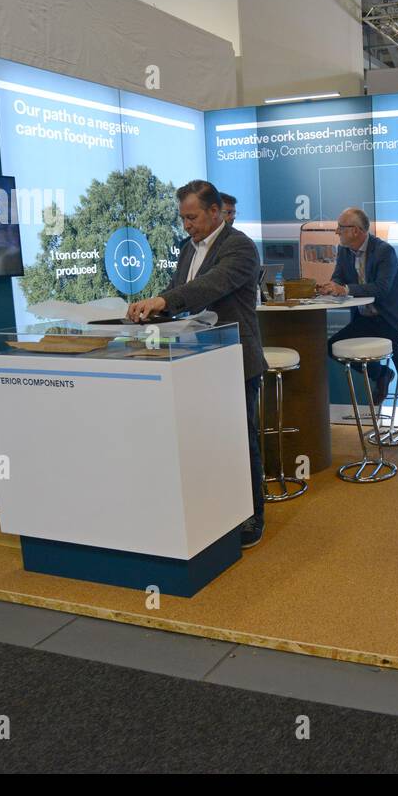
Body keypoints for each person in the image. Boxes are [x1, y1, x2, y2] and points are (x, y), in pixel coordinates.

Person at [127, 180, 268, 547]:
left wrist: (161, 301)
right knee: (208, 442)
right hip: (197, 360)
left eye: (192, 217)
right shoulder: (188, 249)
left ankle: (252, 516)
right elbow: (181, 296)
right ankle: (218, 510)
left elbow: (209, 287)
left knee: (241, 441)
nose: (186, 225)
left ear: (215, 212)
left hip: (235, 358)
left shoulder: (239, 246)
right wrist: (155, 311)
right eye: (183, 218)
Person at [317, 207, 398, 468]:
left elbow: (382, 288)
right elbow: (340, 276)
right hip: (370, 320)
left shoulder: (384, 251)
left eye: (341, 226)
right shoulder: (344, 250)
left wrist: (346, 288)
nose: (337, 231)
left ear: (357, 231)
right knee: (332, 347)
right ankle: (381, 374)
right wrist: (331, 285)